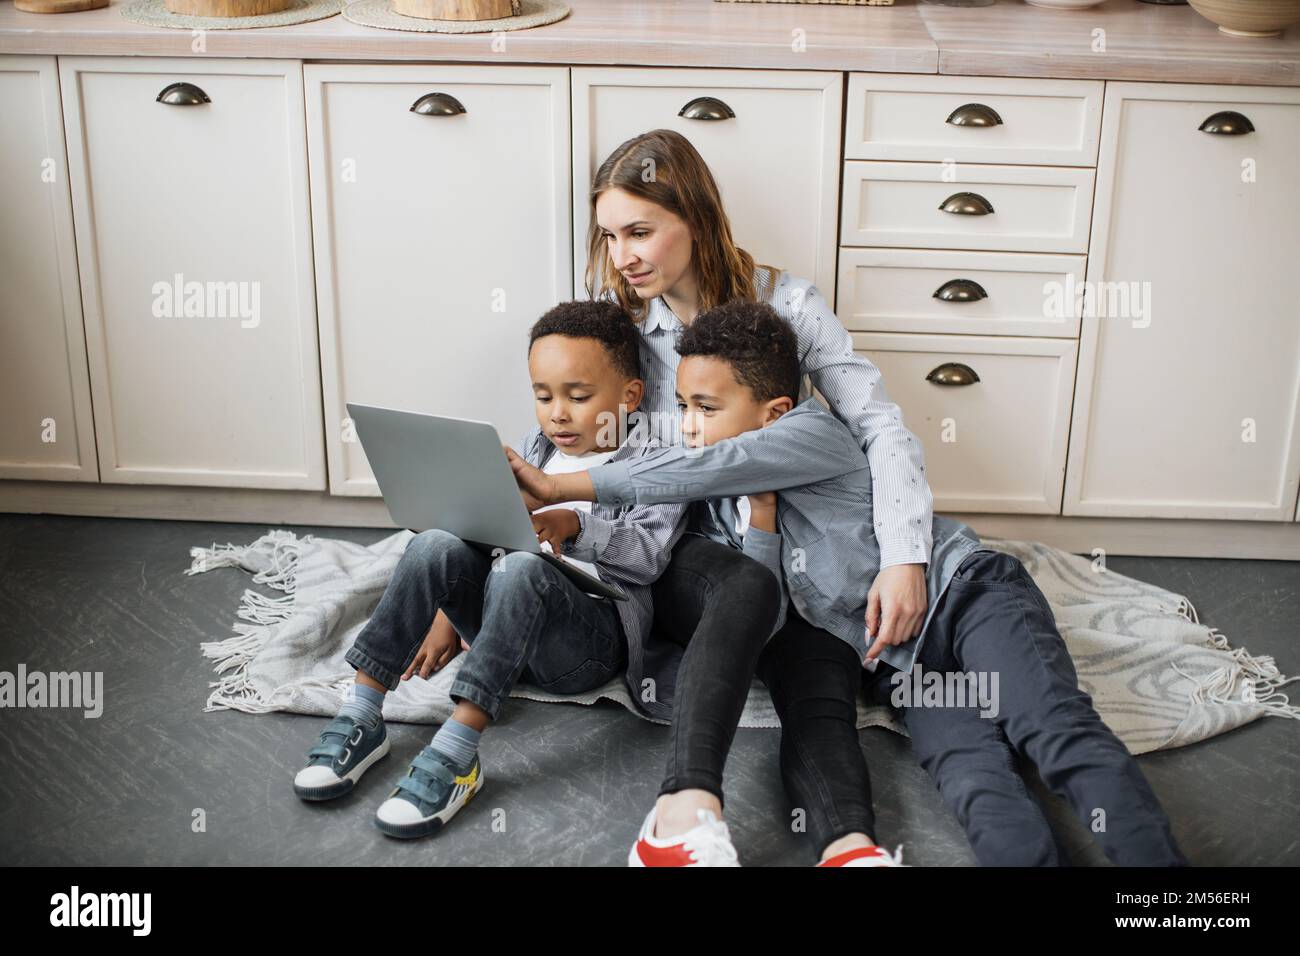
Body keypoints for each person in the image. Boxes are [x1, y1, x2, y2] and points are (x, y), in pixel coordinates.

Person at [509, 299, 1188, 868]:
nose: (687, 426)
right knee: (970, 774)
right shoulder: (728, 496)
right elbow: (768, 605)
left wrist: (558, 485)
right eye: (682, 405)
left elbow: (688, 472)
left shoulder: (813, 433)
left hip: (966, 597)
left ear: (773, 412)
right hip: (898, 661)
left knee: (1053, 730)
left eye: (705, 407)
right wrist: (764, 521)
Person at [292, 300, 688, 840]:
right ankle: (362, 714)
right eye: (543, 396)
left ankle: (458, 754)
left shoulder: (658, 463)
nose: (558, 413)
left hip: (585, 644)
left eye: (578, 396)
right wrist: (448, 619)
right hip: (503, 621)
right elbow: (486, 529)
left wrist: (575, 522)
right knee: (435, 541)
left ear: (629, 396)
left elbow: (649, 559)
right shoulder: (536, 446)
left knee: (524, 567)